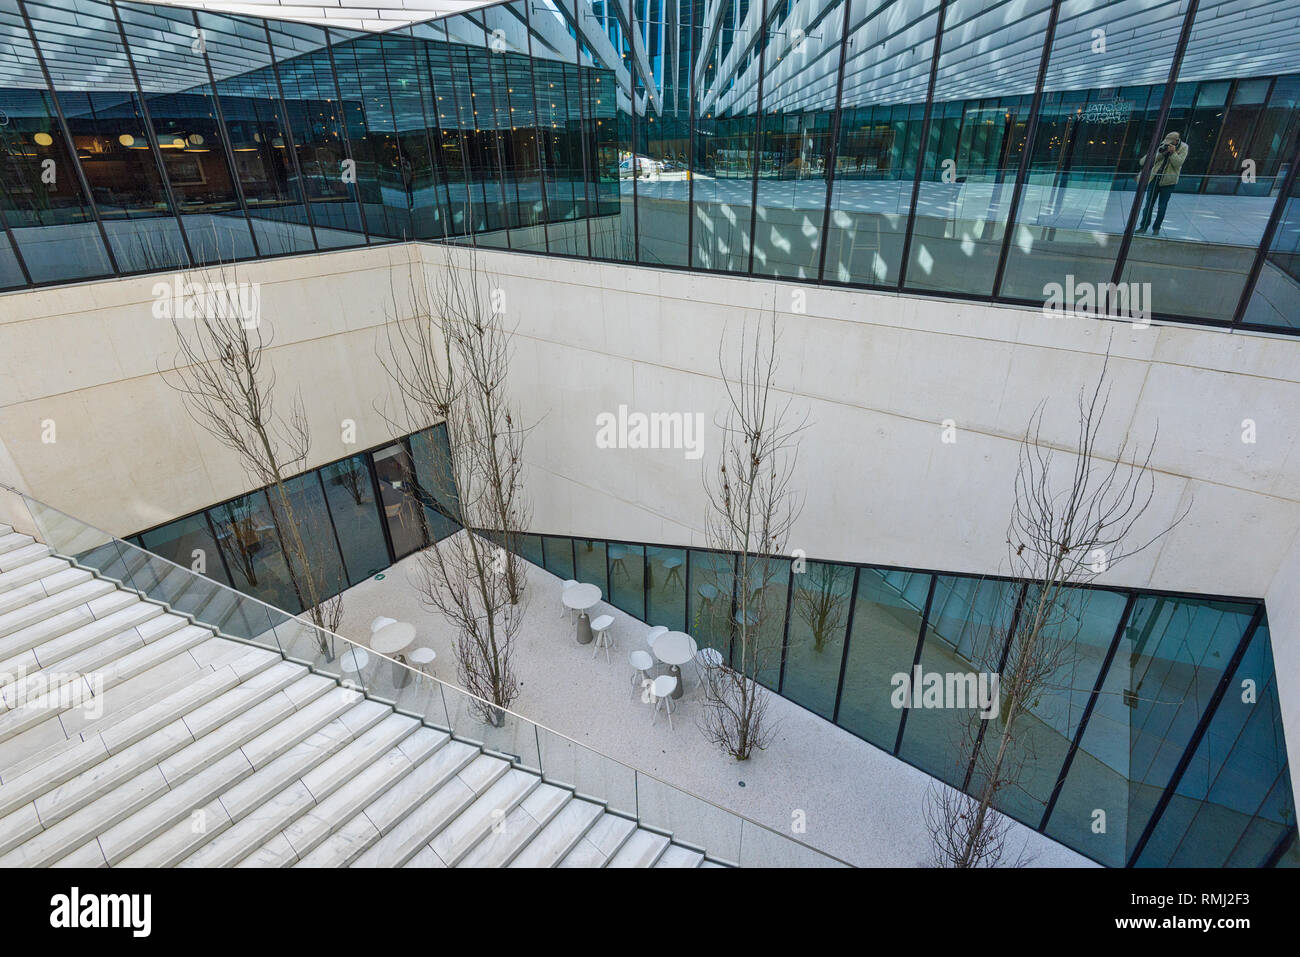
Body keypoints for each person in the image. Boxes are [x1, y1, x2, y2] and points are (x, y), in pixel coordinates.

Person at [1136, 131, 1188, 236]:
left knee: (1162, 206)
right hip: (1154, 179)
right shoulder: (1163, 145)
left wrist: (1173, 153)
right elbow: (1144, 162)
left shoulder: (1184, 147)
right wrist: (1161, 153)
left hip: (1169, 181)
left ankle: (1156, 228)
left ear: (1176, 141)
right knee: (1148, 205)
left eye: (1170, 142)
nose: (1168, 144)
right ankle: (1143, 226)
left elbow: (1178, 164)